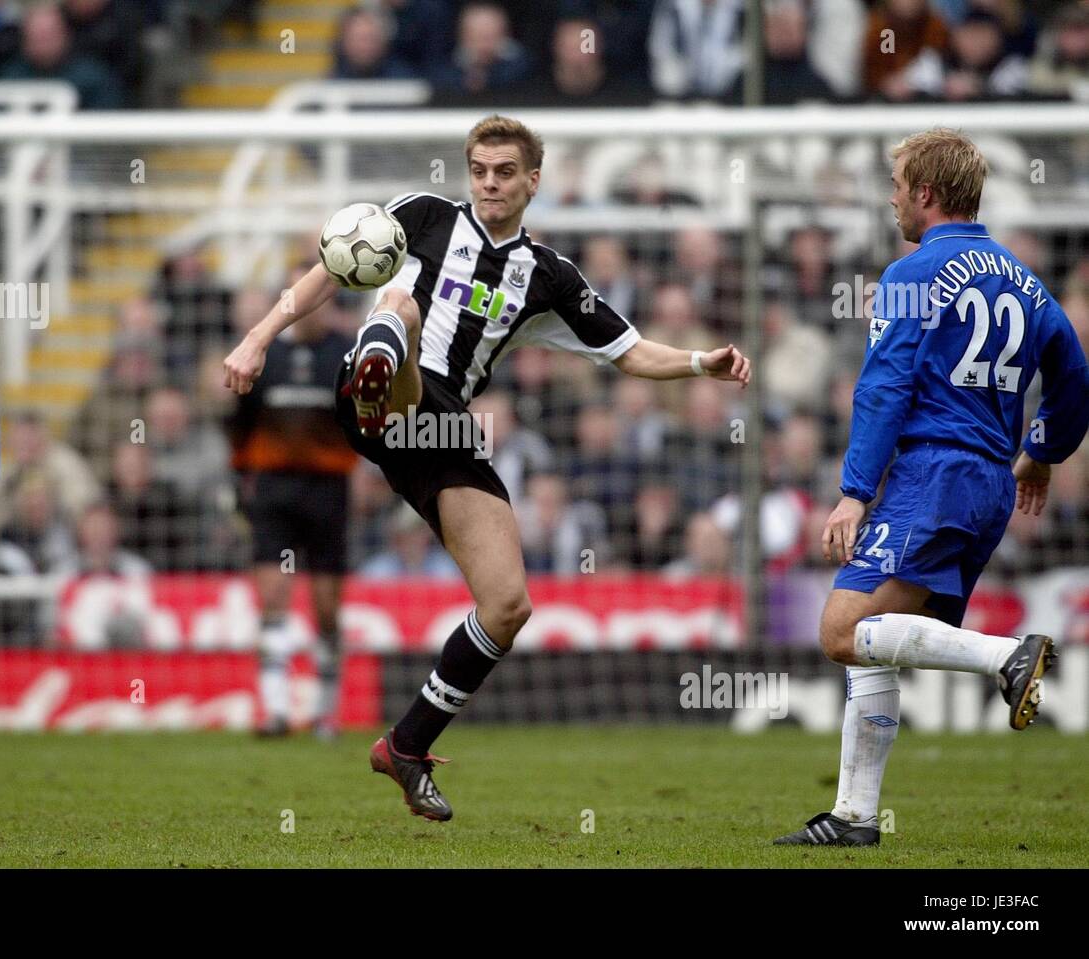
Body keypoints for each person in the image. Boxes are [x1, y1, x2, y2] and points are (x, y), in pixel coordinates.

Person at [223, 115, 750, 821]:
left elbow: (625, 350)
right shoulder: (422, 216)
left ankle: (406, 747)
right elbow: (325, 273)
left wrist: (697, 361)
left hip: (439, 433)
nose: (490, 182)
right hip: (383, 394)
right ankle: (379, 361)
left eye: (504, 172)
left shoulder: (550, 276)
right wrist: (257, 339)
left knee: (507, 603)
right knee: (400, 303)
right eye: (479, 169)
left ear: (533, 179)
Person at [774, 130, 1089, 847]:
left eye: (897, 186)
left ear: (924, 193)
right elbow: (1075, 378)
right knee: (877, 638)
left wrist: (855, 490)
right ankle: (855, 815)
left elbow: (884, 384)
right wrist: (1041, 451)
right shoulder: (1025, 278)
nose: (890, 199)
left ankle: (1004, 656)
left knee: (840, 630)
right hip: (989, 485)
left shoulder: (914, 273)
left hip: (934, 475)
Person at [226, 279, 357, 738]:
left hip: (329, 490)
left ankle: (325, 713)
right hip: (274, 491)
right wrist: (237, 480)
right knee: (273, 600)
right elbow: (239, 424)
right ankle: (276, 712)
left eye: (321, 300)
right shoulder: (265, 355)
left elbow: (368, 423)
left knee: (326, 608)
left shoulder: (349, 355)